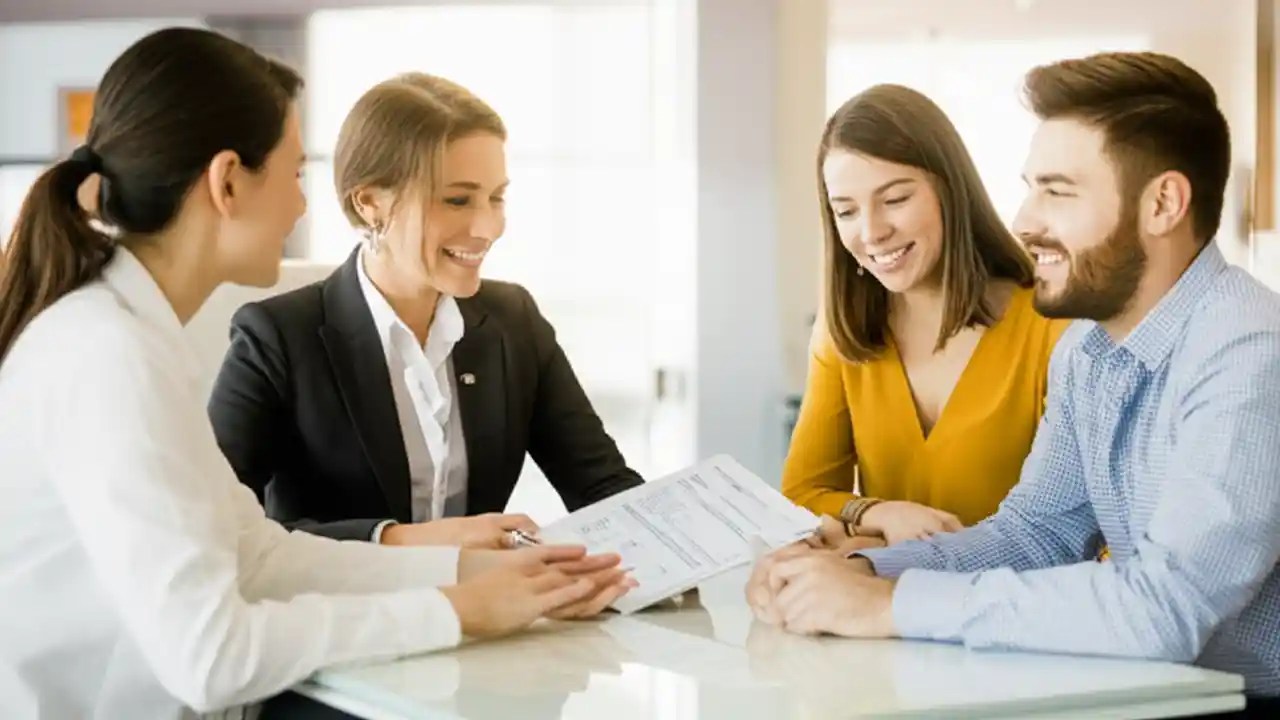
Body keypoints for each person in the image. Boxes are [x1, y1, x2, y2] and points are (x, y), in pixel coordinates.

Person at [0, 28, 631, 720]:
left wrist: (472, 570)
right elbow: (213, 654)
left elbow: (257, 556)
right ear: (228, 181)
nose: (303, 206)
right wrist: (456, 610)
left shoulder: (129, 339)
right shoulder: (106, 356)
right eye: (296, 173)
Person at [749, 51, 1280, 713]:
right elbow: (1035, 535)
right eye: (1030, 188)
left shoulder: (1248, 351)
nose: (1025, 220)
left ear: (1163, 204)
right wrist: (851, 571)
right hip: (1147, 693)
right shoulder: (1088, 348)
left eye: (1057, 191)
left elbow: (1164, 610)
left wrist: (889, 603)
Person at [207, 72, 643, 549]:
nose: (487, 227)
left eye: (496, 197)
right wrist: (409, 541)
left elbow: (603, 487)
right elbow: (215, 529)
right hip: (345, 598)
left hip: (492, 596)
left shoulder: (513, 320)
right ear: (370, 203)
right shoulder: (276, 338)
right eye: (457, 200)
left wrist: (675, 542)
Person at [783, 84, 1067, 544]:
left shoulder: (1052, 325)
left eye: (895, 199)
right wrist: (876, 512)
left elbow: (1095, 527)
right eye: (846, 211)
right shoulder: (843, 334)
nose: (871, 232)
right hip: (880, 590)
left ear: (950, 190)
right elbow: (801, 496)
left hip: (1018, 590)